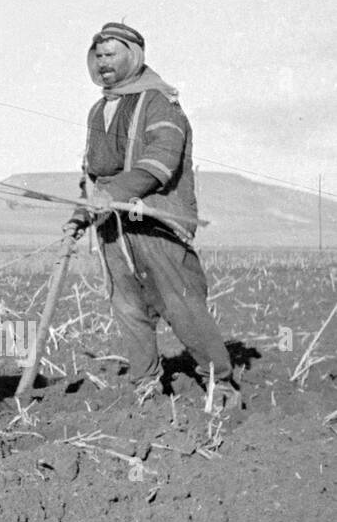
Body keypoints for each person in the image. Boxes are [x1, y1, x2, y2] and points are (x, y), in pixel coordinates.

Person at [65, 22, 239, 408]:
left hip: (155, 221)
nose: (104, 62)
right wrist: (82, 214)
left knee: (181, 303)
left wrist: (112, 194)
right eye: (99, 55)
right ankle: (145, 383)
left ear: (134, 55)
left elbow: (160, 162)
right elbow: (91, 173)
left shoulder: (161, 102)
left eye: (112, 54)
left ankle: (220, 381)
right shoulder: (99, 109)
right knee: (126, 305)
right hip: (113, 227)